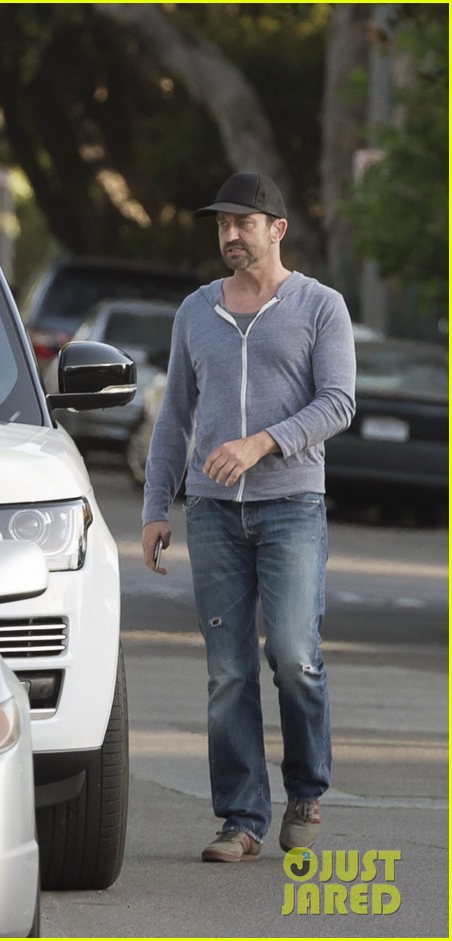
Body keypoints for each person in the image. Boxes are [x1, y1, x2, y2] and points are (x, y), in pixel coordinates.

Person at [140, 172, 356, 863]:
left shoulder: (321, 307)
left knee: (293, 655)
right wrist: (155, 507)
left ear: (277, 228)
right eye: (222, 224)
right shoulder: (195, 311)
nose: (231, 235)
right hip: (211, 512)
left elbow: (339, 402)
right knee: (227, 672)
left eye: (244, 222)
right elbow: (173, 418)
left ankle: (306, 788)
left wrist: (263, 441)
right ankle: (240, 817)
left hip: (292, 504)